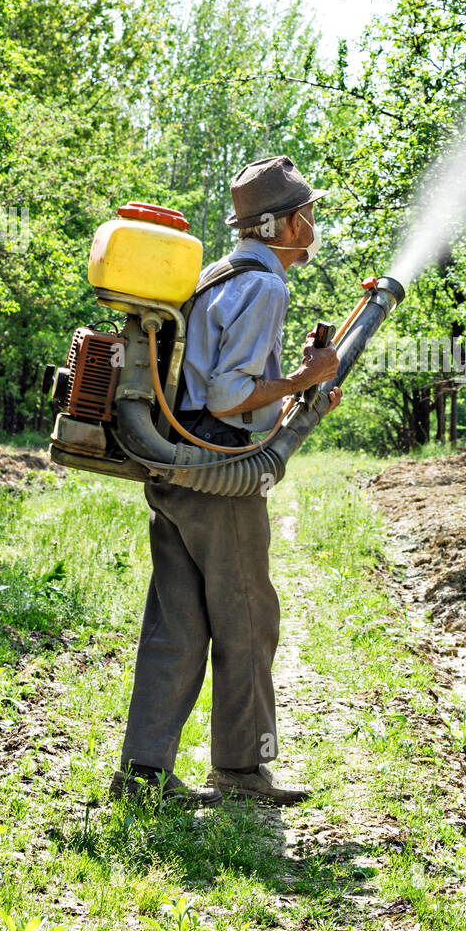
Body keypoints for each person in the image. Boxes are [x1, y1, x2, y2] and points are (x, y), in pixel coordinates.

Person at [111, 156, 340, 807]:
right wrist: (302, 381)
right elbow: (227, 394)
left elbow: (219, 384)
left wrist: (295, 386)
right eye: (311, 215)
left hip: (174, 465)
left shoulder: (217, 273)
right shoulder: (266, 287)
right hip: (219, 472)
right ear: (290, 223)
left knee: (174, 627)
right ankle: (243, 770)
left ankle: (143, 773)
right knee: (248, 620)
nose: (313, 226)